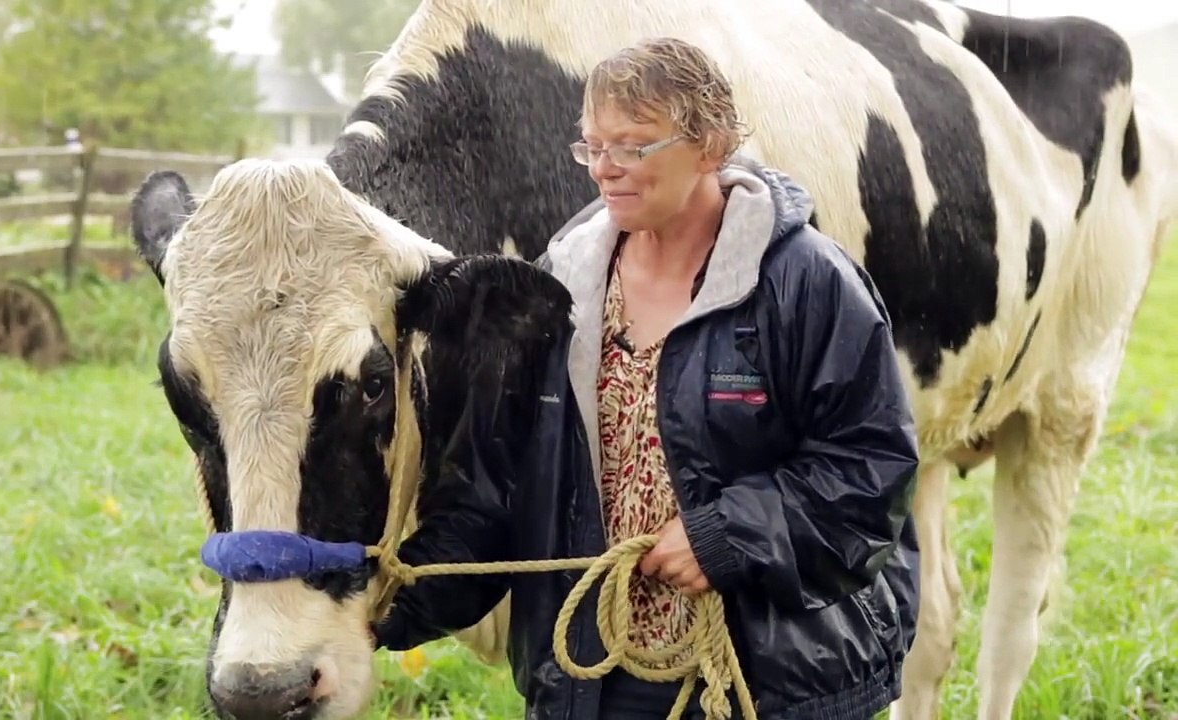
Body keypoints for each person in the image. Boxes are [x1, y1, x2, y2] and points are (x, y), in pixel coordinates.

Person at [373, 36, 921, 720]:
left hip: (764, 682)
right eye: (591, 147)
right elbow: (498, 490)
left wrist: (728, 536)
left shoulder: (808, 284)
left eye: (632, 146)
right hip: (591, 677)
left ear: (711, 146)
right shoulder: (558, 289)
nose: (604, 169)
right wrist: (378, 604)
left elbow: (873, 470)